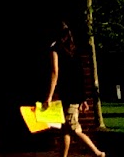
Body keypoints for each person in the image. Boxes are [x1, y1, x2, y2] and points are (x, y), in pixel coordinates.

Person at [44, 22, 107, 157]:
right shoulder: (73, 49)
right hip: (74, 94)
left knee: (74, 129)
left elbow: (55, 72)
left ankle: (97, 153)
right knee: (66, 129)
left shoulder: (55, 48)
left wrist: (49, 97)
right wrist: (83, 98)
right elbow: (80, 75)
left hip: (68, 95)